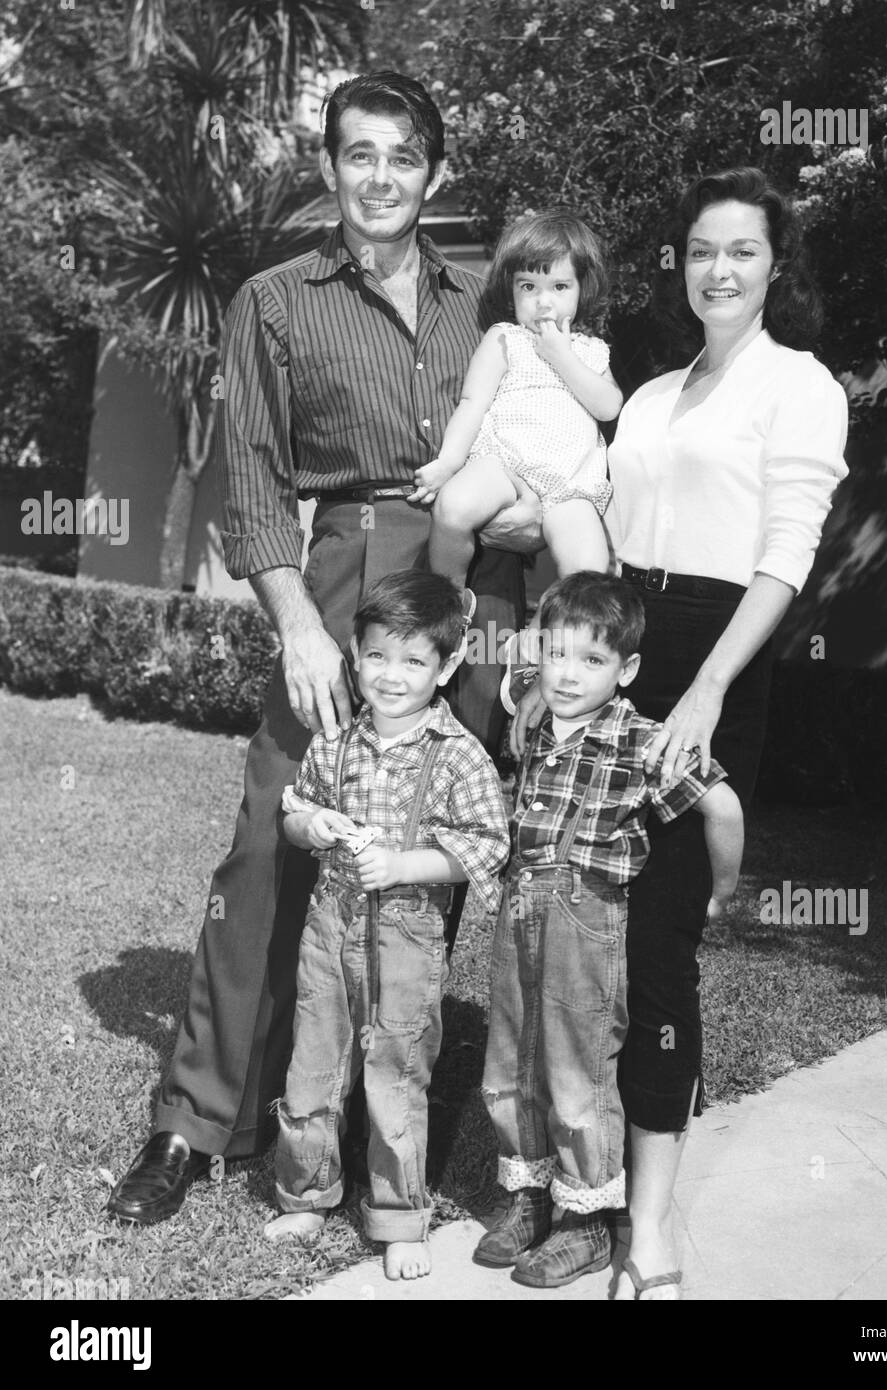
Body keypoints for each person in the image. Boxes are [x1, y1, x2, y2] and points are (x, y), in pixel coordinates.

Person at [107, 71, 539, 1226]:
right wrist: (298, 619)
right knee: (269, 850)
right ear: (330, 167)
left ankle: (367, 1110)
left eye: (404, 156)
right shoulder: (275, 299)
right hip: (343, 567)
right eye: (360, 154)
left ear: (433, 172)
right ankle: (197, 1123)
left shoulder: (483, 303)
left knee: (431, 851)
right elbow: (250, 471)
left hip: (479, 583)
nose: (382, 176)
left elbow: (554, 438)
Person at [513, 168, 849, 1299]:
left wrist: (702, 692)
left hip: (714, 661)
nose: (718, 269)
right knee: (577, 930)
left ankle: (648, 1229)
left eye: (742, 251)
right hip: (619, 652)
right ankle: (573, 1182)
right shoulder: (650, 394)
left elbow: (785, 560)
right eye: (702, 249)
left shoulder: (800, 388)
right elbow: (590, 515)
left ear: (773, 266)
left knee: (656, 947)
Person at [477, 572, 742, 1289]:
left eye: (591, 661)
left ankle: (585, 1219)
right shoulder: (532, 724)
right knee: (513, 1055)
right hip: (521, 910)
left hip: (589, 921)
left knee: (577, 1070)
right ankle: (527, 1197)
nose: (567, 674)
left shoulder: (642, 739)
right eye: (556, 654)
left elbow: (722, 807)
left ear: (625, 670)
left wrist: (719, 892)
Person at [264, 572, 509, 1280]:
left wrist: (405, 863)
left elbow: (487, 846)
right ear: (353, 652)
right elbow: (296, 813)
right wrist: (315, 824)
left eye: (413, 662)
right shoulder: (335, 741)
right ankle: (305, 1193)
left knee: (395, 1074)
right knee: (313, 1064)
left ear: (447, 666)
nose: (391, 676)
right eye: (376, 657)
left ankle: (399, 1216)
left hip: (406, 938)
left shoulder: (459, 754)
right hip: (329, 925)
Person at [409, 211, 623, 711]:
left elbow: (609, 406)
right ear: (511, 290)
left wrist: (561, 354)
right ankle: (448, 606)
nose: (542, 300)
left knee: (587, 574)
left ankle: (537, 645)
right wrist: (447, 463)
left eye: (558, 285)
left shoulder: (590, 351)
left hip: (570, 484)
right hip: (506, 461)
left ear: (581, 290)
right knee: (455, 507)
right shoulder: (504, 338)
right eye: (529, 285)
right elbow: (472, 404)